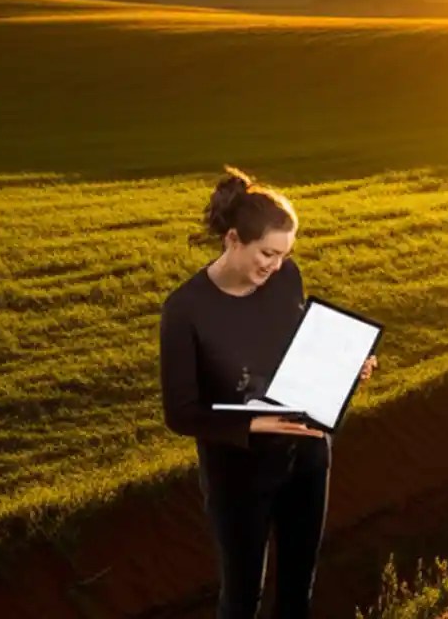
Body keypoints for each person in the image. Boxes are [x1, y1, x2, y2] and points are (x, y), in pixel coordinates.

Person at [158, 164, 377, 618]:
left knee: (298, 589)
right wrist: (255, 422)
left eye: (283, 255)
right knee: (241, 600)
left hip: (307, 459)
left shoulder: (285, 279)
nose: (275, 266)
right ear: (233, 239)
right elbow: (180, 413)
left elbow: (297, 351)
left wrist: (346, 366)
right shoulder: (185, 310)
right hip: (238, 477)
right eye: (266, 253)